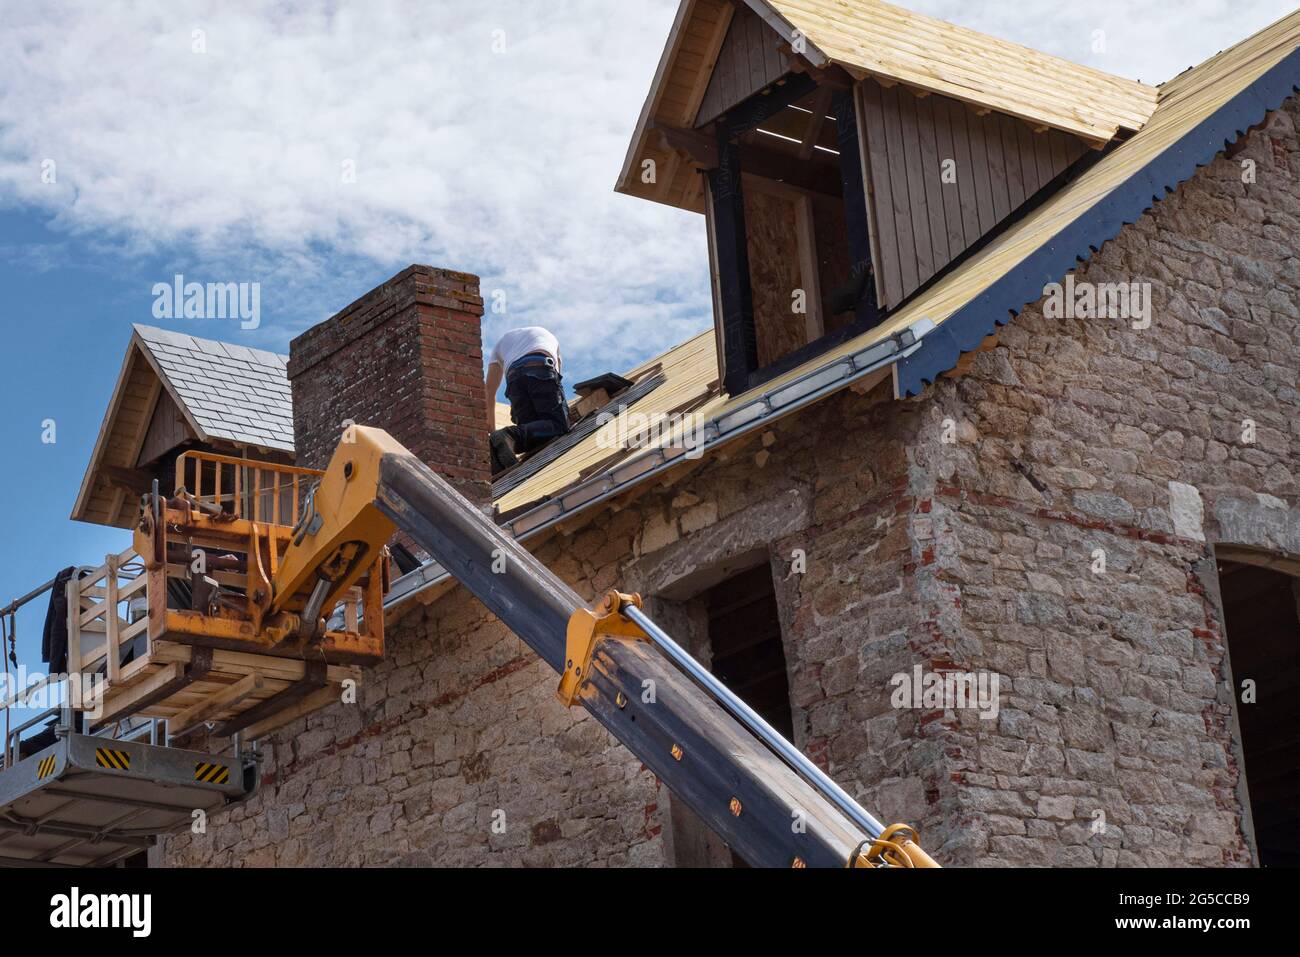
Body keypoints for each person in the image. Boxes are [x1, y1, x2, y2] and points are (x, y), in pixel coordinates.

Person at [485, 327, 571, 475]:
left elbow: (489, 391)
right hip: (541, 365)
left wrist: (492, 434)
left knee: (532, 434)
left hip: (513, 378)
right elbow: (556, 380)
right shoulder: (547, 336)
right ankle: (509, 435)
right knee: (559, 425)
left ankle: (499, 448)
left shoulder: (500, 345)